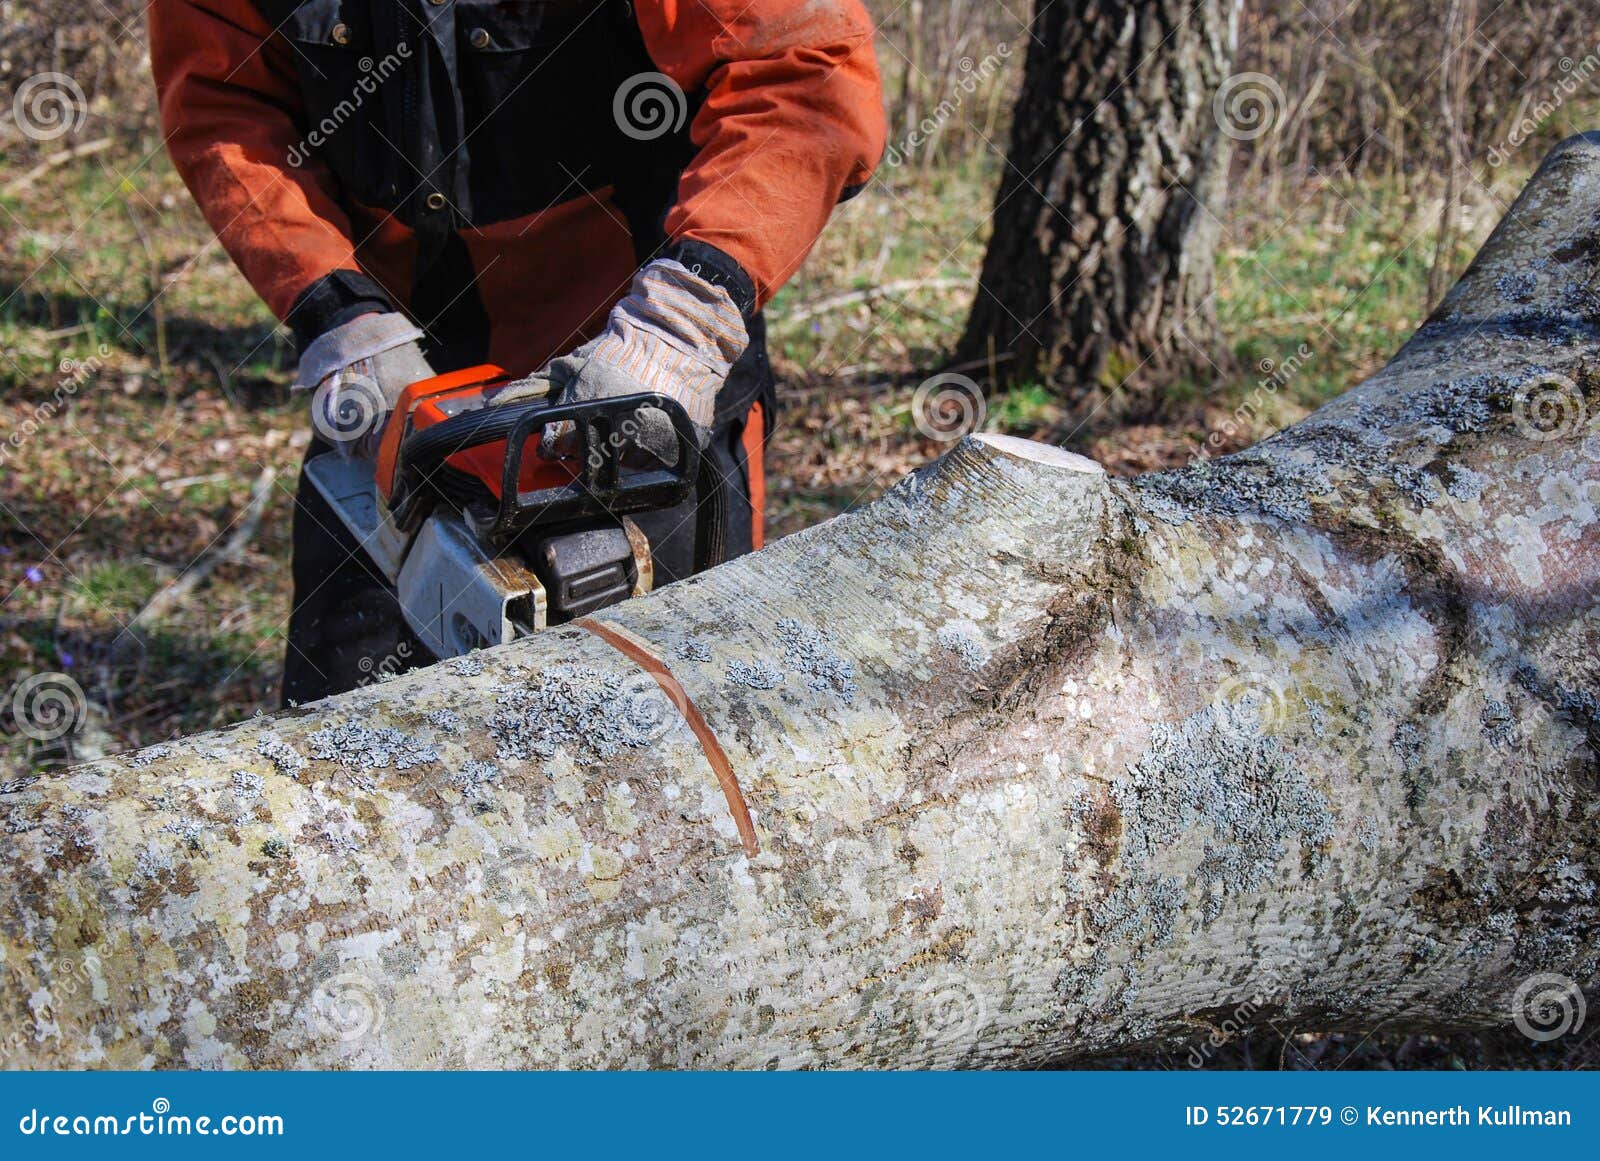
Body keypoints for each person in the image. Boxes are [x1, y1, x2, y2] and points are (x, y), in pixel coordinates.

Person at [148, 0, 886, 702]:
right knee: (340, 741)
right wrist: (338, 315)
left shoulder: (667, 338)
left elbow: (805, 69)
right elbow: (222, 99)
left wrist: (684, 319)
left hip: (639, 358)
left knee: (664, 744)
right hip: (401, 374)